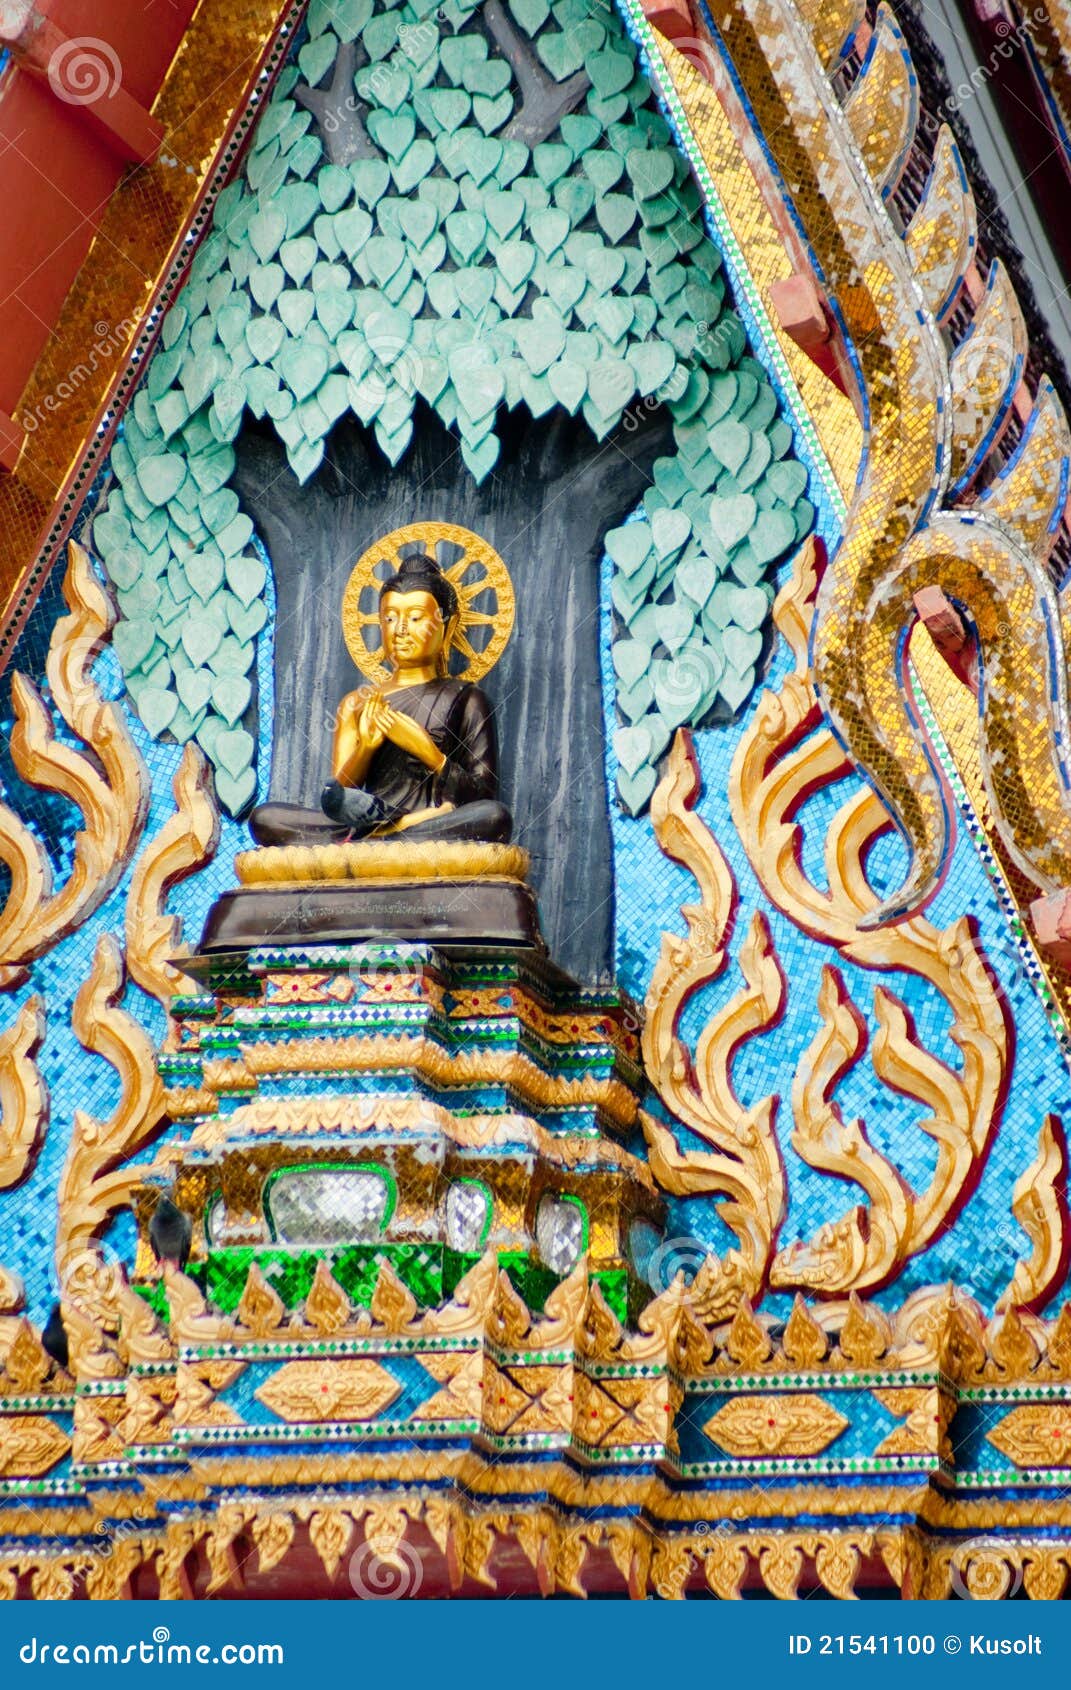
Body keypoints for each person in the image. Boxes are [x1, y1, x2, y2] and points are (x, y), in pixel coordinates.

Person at [249, 552, 512, 848]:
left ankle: (389, 833)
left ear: (447, 627)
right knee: (265, 818)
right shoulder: (356, 703)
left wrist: (427, 751)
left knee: (493, 818)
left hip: (436, 821)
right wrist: (366, 747)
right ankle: (390, 831)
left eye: (415, 618)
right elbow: (339, 794)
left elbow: (482, 793)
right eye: (390, 618)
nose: (400, 630)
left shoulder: (467, 699)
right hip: (373, 822)